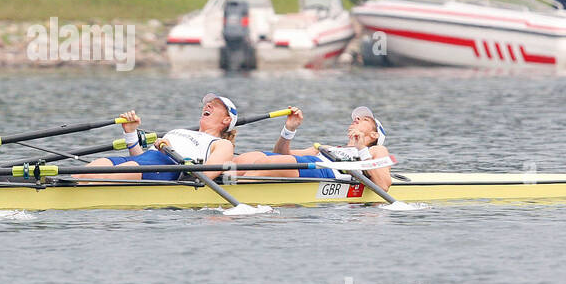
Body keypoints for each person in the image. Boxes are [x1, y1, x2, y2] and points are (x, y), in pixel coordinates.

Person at [83, 94, 237, 181]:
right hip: (146, 162)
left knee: (105, 176)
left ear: (226, 120)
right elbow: (142, 158)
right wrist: (130, 133)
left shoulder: (222, 144)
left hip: (167, 169)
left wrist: (170, 150)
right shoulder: (180, 130)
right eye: (207, 103)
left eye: (215, 105)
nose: (207, 105)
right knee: (88, 170)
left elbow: (205, 175)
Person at [234, 105, 392, 190]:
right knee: (246, 158)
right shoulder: (328, 148)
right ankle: (221, 180)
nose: (356, 118)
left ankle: (230, 190)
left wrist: (361, 148)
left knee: (265, 163)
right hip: (312, 162)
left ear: (374, 135)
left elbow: (384, 185)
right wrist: (289, 130)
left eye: (365, 119)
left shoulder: (376, 150)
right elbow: (280, 154)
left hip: (326, 172)